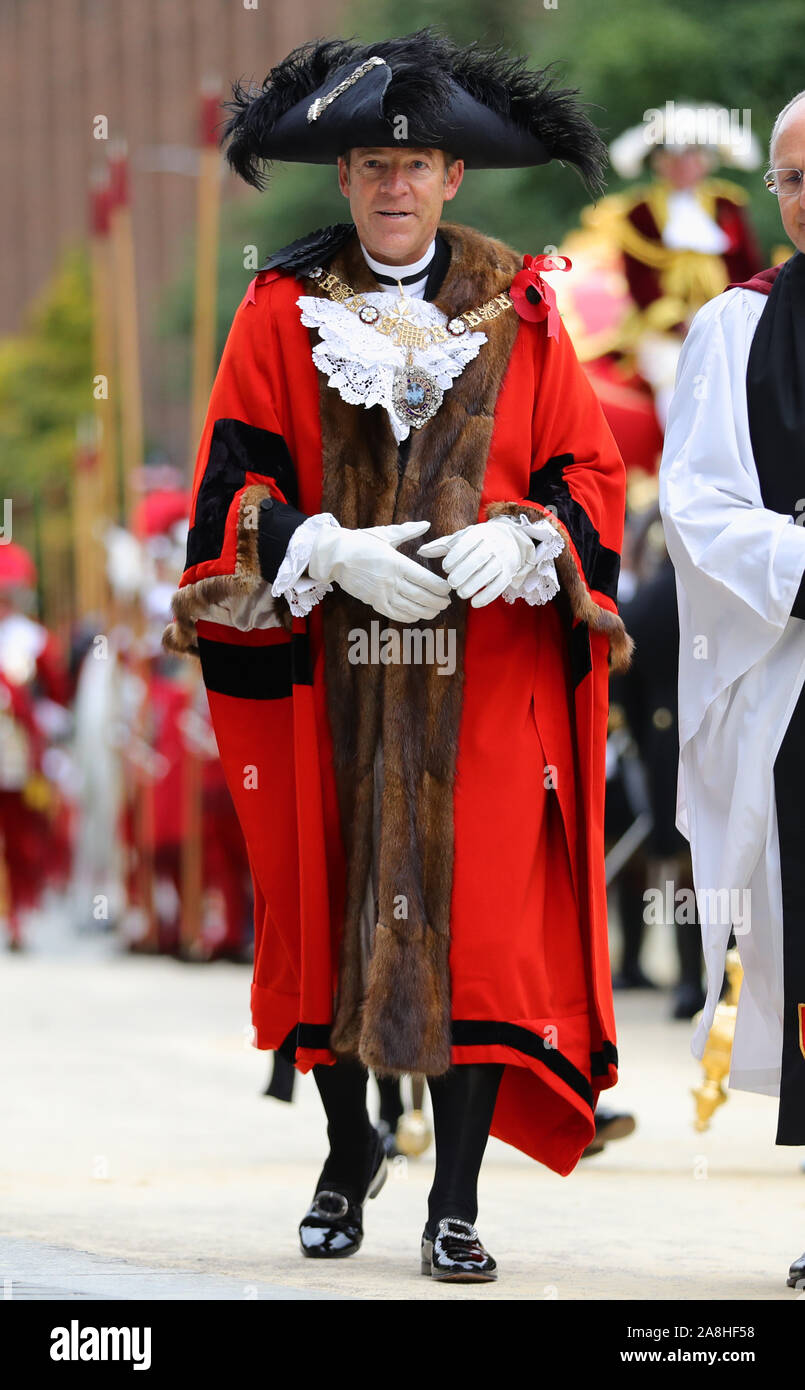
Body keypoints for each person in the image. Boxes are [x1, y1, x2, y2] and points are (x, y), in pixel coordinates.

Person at [163, 28, 632, 1284]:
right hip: (333, 667)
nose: (393, 185)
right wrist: (310, 539)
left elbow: (590, 474)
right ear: (345, 177)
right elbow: (226, 489)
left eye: (415, 165)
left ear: (452, 180)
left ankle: (458, 1203)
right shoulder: (281, 310)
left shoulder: (525, 307)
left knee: (475, 923)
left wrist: (534, 545)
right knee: (329, 907)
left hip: (483, 677)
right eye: (372, 163)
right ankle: (345, 1149)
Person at [659, 89, 805, 1291]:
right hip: (797, 667)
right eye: (791, 178)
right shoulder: (736, 329)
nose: (804, 196)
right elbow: (697, 504)